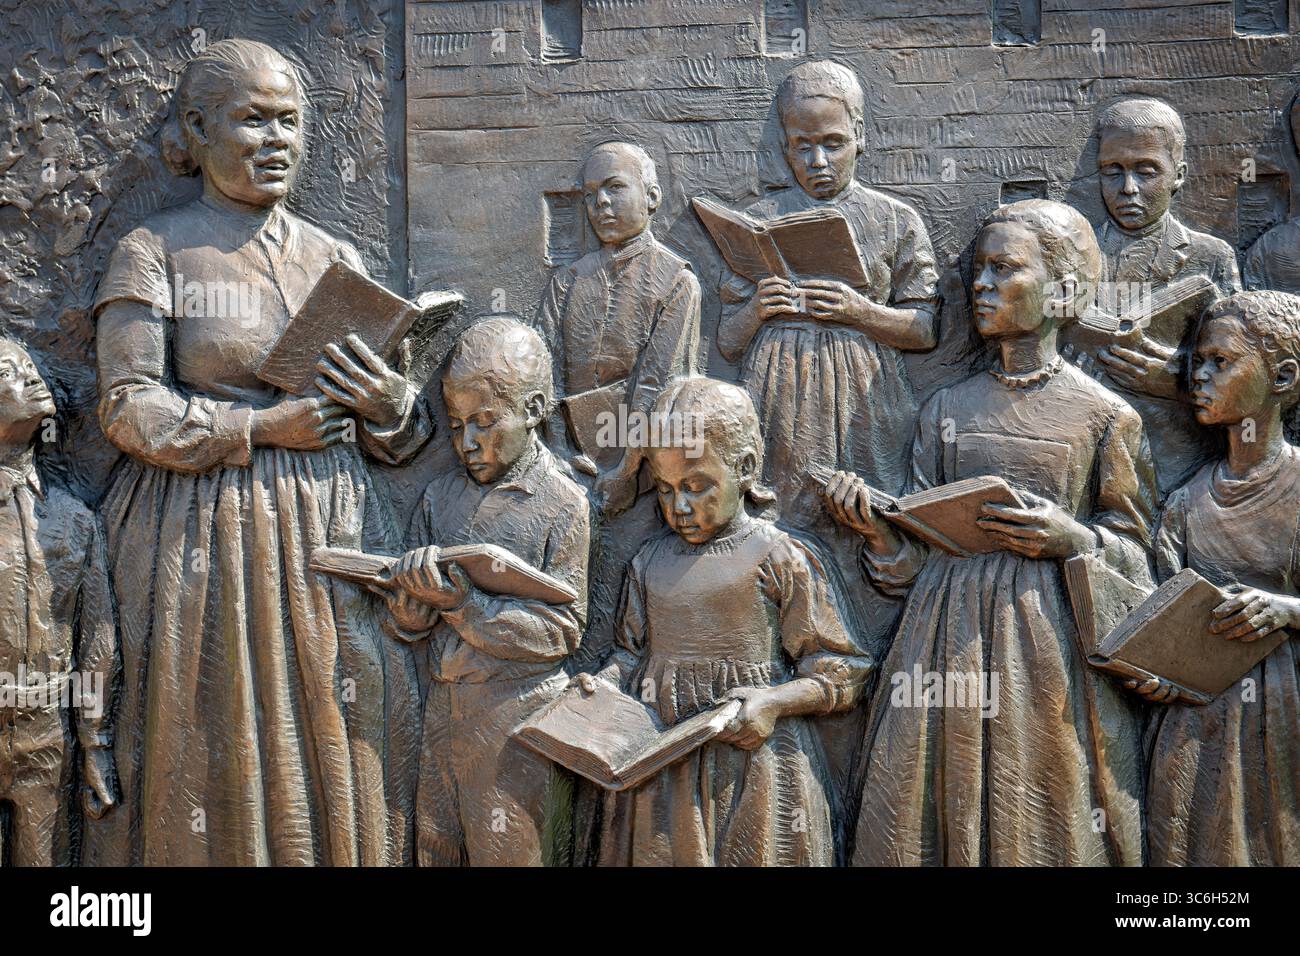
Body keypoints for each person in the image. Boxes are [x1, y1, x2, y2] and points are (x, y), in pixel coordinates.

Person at [88, 39, 429, 866]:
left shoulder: (333, 257)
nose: (276, 140)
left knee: (342, 715)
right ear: (198, 129)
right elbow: (127, 406)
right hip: (203, 528)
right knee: (220, 722)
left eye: (289, 122)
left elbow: (393, 437)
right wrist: (258, 430)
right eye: (253, 120)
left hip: (329, 528)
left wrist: (392, 407)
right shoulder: (154, 250)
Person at [826, 200, 1156, 866]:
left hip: (1046, 645)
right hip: (941, 635)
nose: (981, 284)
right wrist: (879, 532)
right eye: (978, 269)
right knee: (922, 802)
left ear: (1062, 290)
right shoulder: (945, 408)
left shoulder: (1104, 416)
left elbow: (1140, 560)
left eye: (1005, 269)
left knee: (1037, 800)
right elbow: (915, 557)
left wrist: (1074, 538)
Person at [591, 376, 872, 866]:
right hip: (662, 760)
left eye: (696, 486)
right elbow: (628, 654)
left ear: (745, 467)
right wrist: (601, 686)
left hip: (756, 762)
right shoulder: (647, 562)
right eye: (665, 490)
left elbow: (841, 671)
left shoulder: (778, 556)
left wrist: (773, 702)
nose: (679, 507)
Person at [378, 318, 589, 867]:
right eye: (455, 425)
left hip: (518, 715)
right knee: (437, 846)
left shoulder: (562, 504)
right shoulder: (438, 497)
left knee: (509, 851)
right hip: (444, 709)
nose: (466, 442)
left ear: (534, 409)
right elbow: (411, 621)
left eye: (485, 422)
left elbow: (563, 631)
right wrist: (411, 611)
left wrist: (468, 607)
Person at [1136, 291, 1300, 866]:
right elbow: (1158, 612)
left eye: (1221, 362)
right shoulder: (1185, 503)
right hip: (1191, 717)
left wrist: (1286, 610)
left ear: (1283, 377)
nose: (1199, 377)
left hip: (1280, 710)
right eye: (1197, 361)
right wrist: (1151, 671)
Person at [533, 140, 700, 668]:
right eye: (590, 194)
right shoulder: (566, 282)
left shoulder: (677, 280)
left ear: (651, 197)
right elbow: (543, 377)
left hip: (644, 477)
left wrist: (626, 471)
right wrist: (558, 456)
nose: (600, 203)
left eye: (614, 188)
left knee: (629, 599)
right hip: (568, 468)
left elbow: (658, 384)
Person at [1063, 97, 1242, 496]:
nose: (1128, 189)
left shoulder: (1211, 256)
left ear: (1178, 175)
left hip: (1177, 461)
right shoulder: (1072, 255)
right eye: (1112, 172)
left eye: (1146, 172)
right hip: (1084, 454)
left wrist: (1177, 379)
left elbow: (1245, 368)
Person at [0, 337, 118, 866]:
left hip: (45, 733)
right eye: (7, 371)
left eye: (30, 365)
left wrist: (95, 744)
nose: (31, 376)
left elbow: (97, 642)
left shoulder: (74, 519)